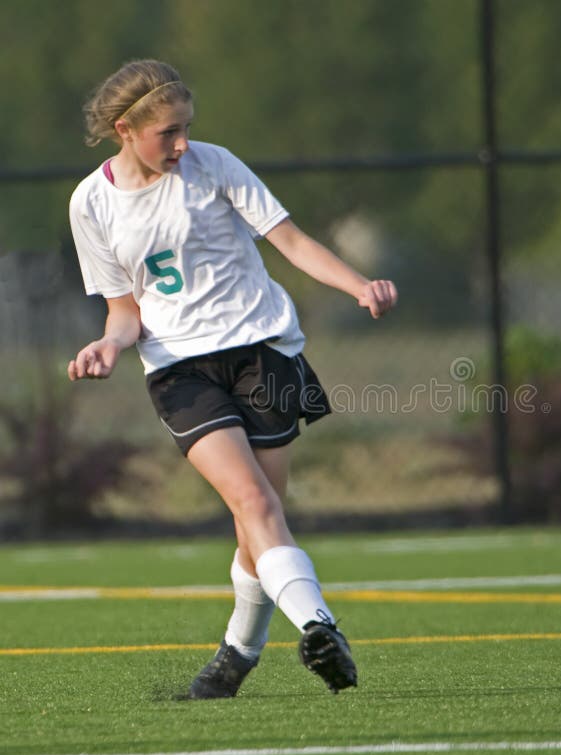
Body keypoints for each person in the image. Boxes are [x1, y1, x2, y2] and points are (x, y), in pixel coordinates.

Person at [67, 59, 398, 698]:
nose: (182, 144)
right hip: (181, 370)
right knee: (252, 504)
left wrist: (360, 285)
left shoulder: (214, 164)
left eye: (187, 128)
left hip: (263, 350)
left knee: (260, 522)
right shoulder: (91, 203)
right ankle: (320, 626)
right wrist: (107, 346)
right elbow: (123, 312)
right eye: (168, 133)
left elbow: (292, 242)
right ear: (124, 130)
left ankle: (235, 657)